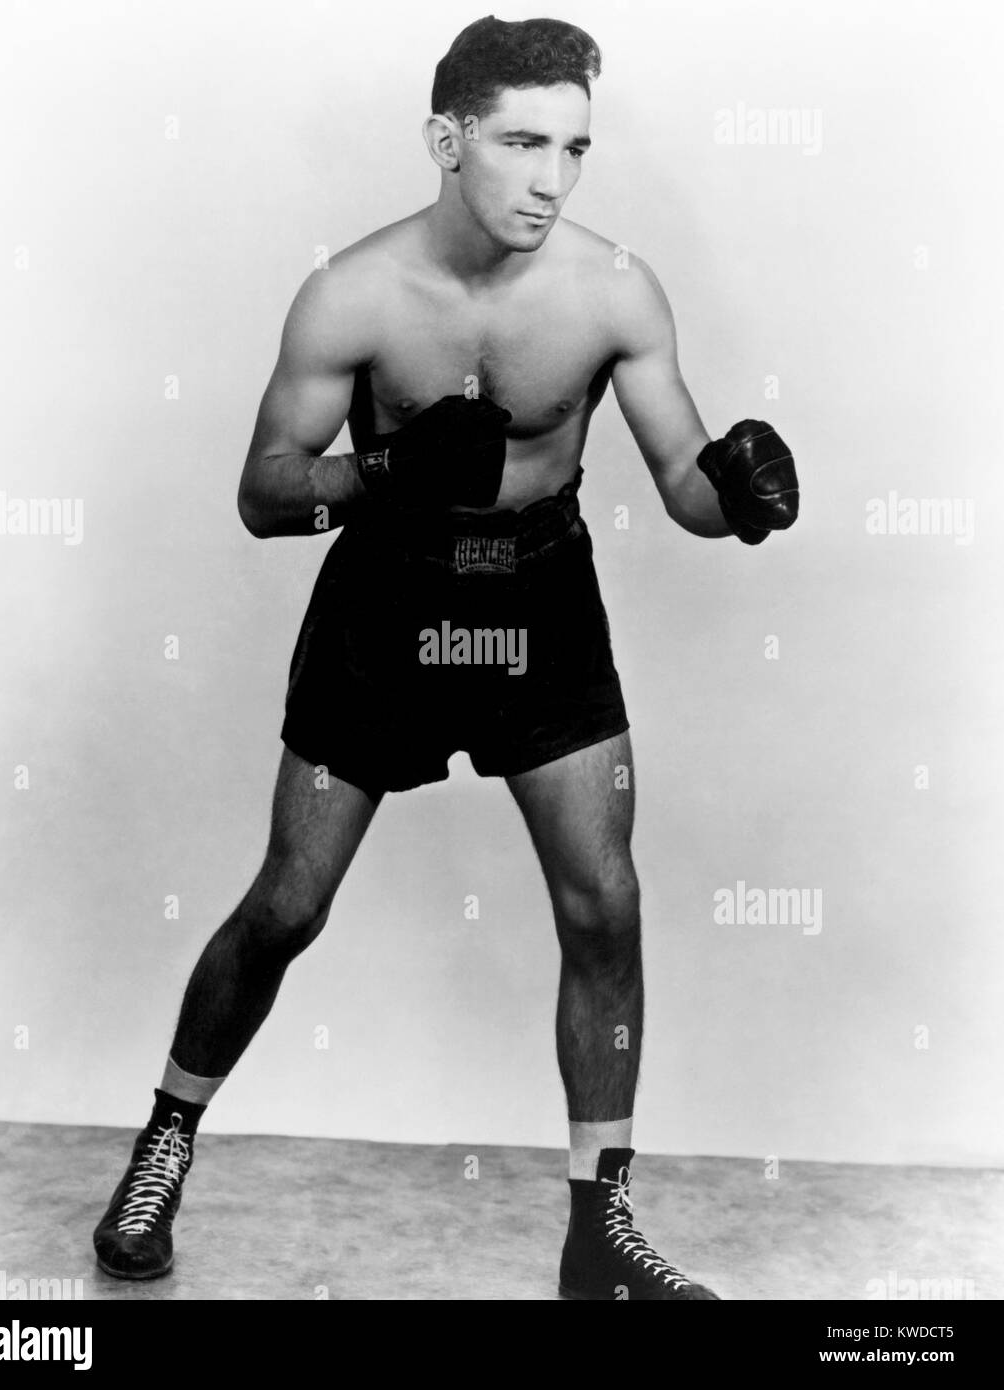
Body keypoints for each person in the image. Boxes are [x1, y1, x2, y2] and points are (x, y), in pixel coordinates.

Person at [93, 14, 799, 1301]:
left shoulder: (613, 291)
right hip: (388, 604)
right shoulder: (353, 294)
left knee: (606, 903)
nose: (551, 178)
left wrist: (737, 495)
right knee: (290, 906)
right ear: (446, 138)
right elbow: (262, 495)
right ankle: (163, 1146)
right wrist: (379, 474)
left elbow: (683, 486)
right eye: (523, 142)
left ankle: (601, 1231)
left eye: (575, 147)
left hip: (541, 606)